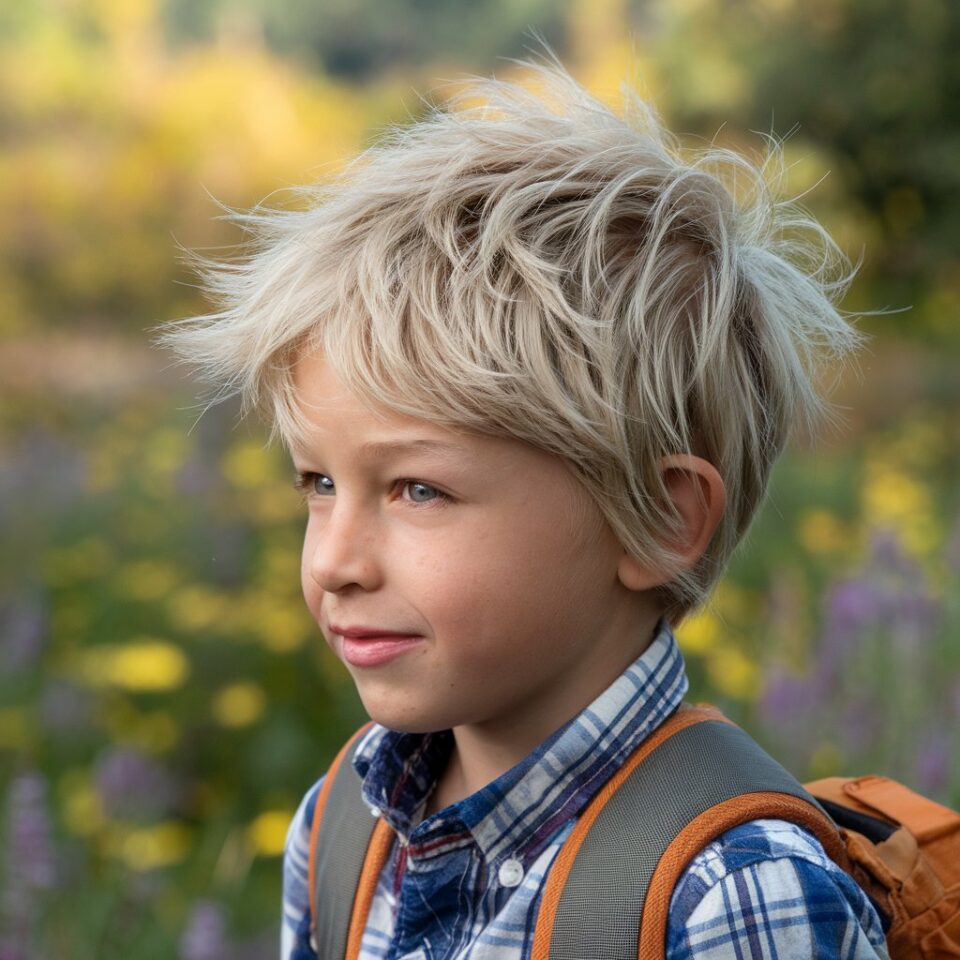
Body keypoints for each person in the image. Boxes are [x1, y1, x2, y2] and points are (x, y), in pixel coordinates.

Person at [155, 59, 889, 959]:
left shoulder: (732, 897)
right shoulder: (343, 825)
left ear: (659, 520)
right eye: (318, 485)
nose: (334, 561)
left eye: (418, 490)